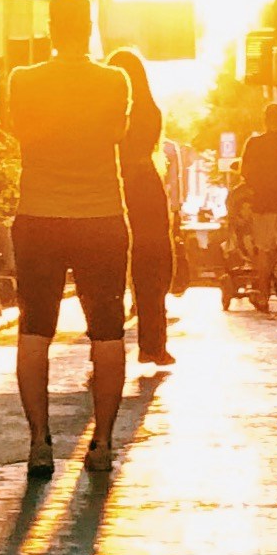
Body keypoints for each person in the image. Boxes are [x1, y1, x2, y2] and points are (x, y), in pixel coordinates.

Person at [3, 0, 135, 476]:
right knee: (107, 331)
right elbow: (118, 133)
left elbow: (19, 130)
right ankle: (101, 443)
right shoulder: (114, 80)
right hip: (101, 214)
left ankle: (39, 441)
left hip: (38, 214)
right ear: (90, 26)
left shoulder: (24, 80)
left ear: (51, 27)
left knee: (34, 327)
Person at [109, 48, 175, 368]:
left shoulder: (105, 113)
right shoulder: (151, 111)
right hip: (147, 192)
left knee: (106, 271)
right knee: (151, 271)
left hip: (110, 186)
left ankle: (105, 349)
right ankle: (153, 345)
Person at [234, 104, 277, 315]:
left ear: (265, 120)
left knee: (264, 251)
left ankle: (264, 296)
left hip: (263, 206)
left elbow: (245, 173)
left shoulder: (254, 144)